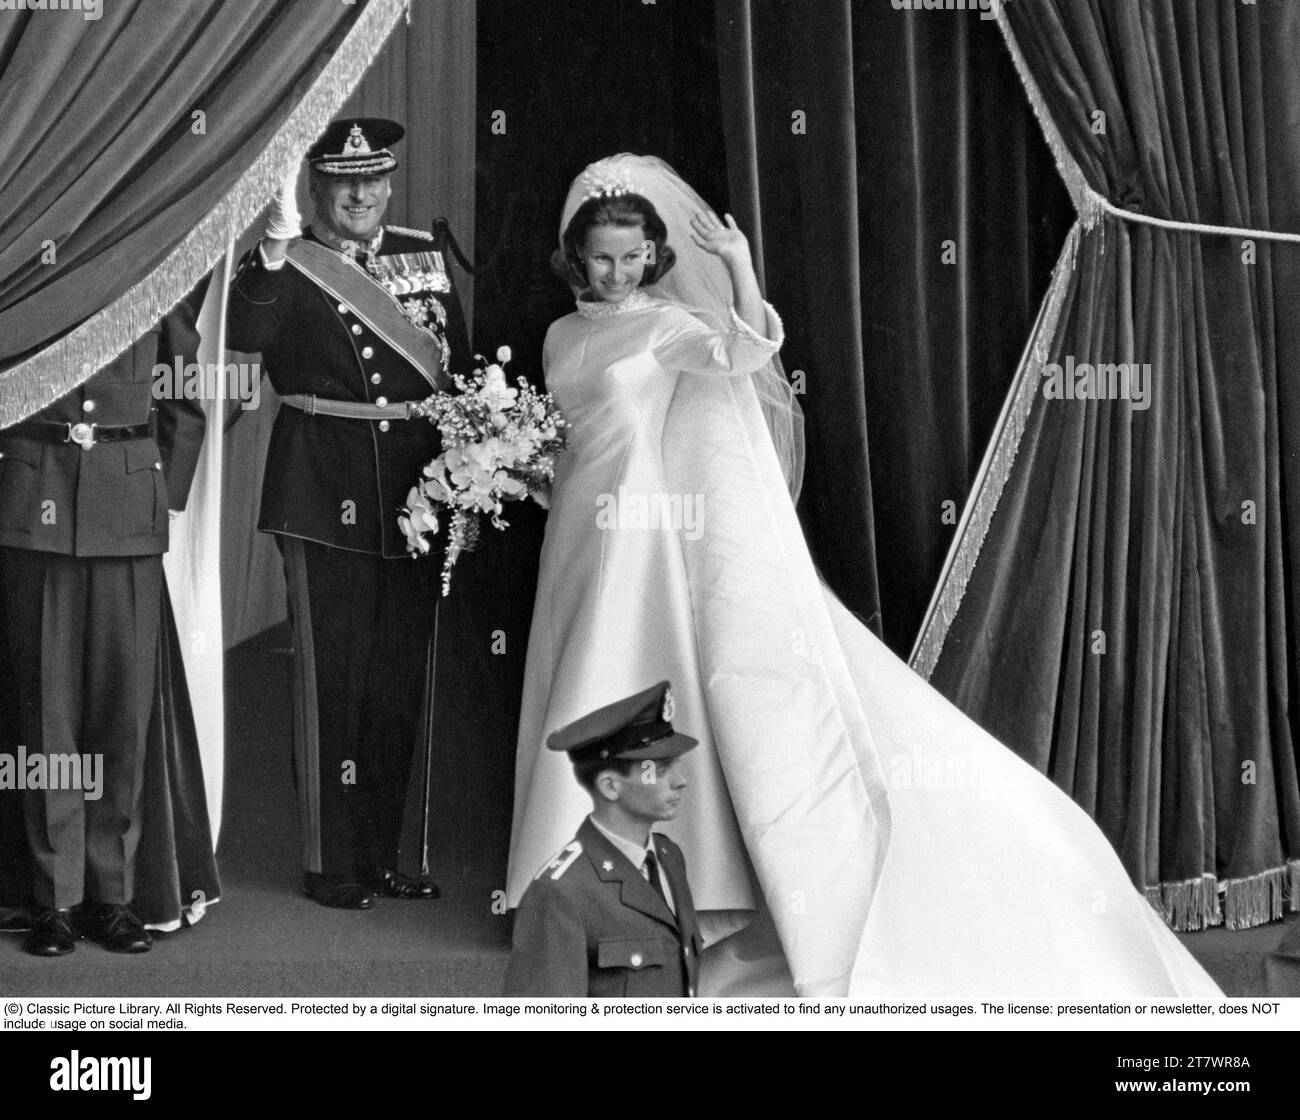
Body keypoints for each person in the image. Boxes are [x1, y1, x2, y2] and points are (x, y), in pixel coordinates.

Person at [505, 153, 1224, 999]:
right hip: (578, 535)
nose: (618, 272)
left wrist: (737, 267)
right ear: (575, 258)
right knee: (568, 681)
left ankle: (665, 887)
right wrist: (512, 466)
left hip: (644, 542)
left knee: (621, 675)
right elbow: (571, 435)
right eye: (602, 258)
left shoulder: (665, 327)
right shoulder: (560, 335)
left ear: (655, 258)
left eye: (632, 257)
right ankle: (558, 877)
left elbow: (745, 352)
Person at [226, 118, 470, 910]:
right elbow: (244, 335)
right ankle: (331, 861)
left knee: (398, 681)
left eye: (373, 178)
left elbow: (457, 365)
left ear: (390, 182)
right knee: (333, 682)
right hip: (320, 487)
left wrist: (471, 466)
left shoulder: (419, 255)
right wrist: (269, 251)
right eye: (341, 179)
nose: (360, 193)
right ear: (315, 186)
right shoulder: (286, 262)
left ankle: (381, 855)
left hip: (416, 490)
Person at [0, 305, 207, 956]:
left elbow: (181, 392)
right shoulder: (31, 275)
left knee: (123, 711)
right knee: (48, 716)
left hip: (126, 507)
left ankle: (110, 895)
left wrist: (160, 495)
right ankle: (54, 898)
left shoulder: (155, 273)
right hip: (38, 503)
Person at [503, 680, 702, 998]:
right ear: (611, 786)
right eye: (659, 769)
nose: (681, 781)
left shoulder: (668, 857)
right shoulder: (560, 893)